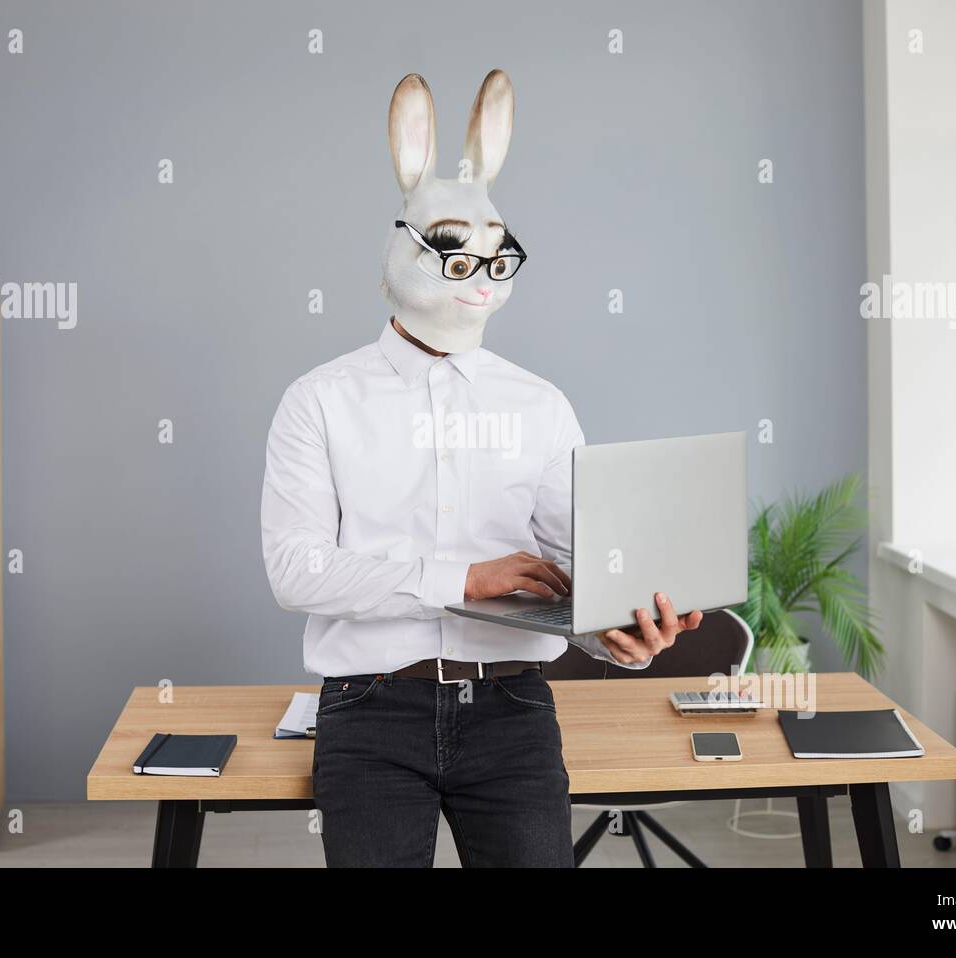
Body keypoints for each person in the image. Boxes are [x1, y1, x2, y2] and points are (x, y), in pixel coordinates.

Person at [261, 70, 702, 868]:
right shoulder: (318, 401)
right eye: (458, 252)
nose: (483, 274)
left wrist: (621, 635)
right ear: (405, 245)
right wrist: (465, 577)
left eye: (499, 257)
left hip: (513, 707)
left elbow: (576, 573)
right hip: (369, 710)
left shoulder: (539, 404)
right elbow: (296, 571)